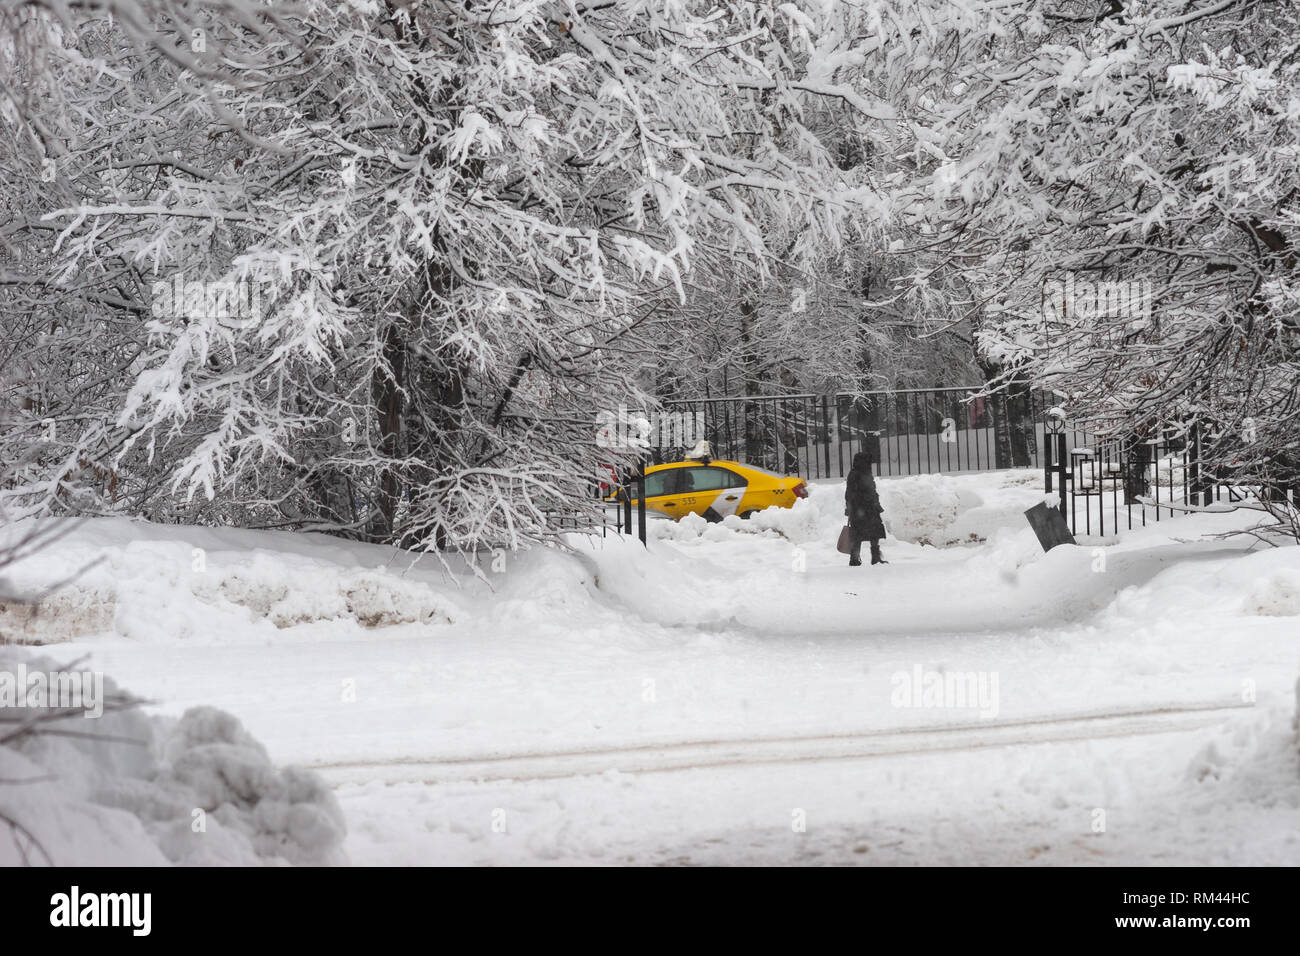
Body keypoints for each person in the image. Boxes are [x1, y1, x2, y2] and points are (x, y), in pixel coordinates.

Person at [845, 451, 887, 566]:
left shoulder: (858, 473)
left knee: (863, 534)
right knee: (868, 533)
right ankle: (869, 557)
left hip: (863, 509)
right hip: (864, 509)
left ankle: (860, 558)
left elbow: (850, 493)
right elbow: (859, 492)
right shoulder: (859, 474)